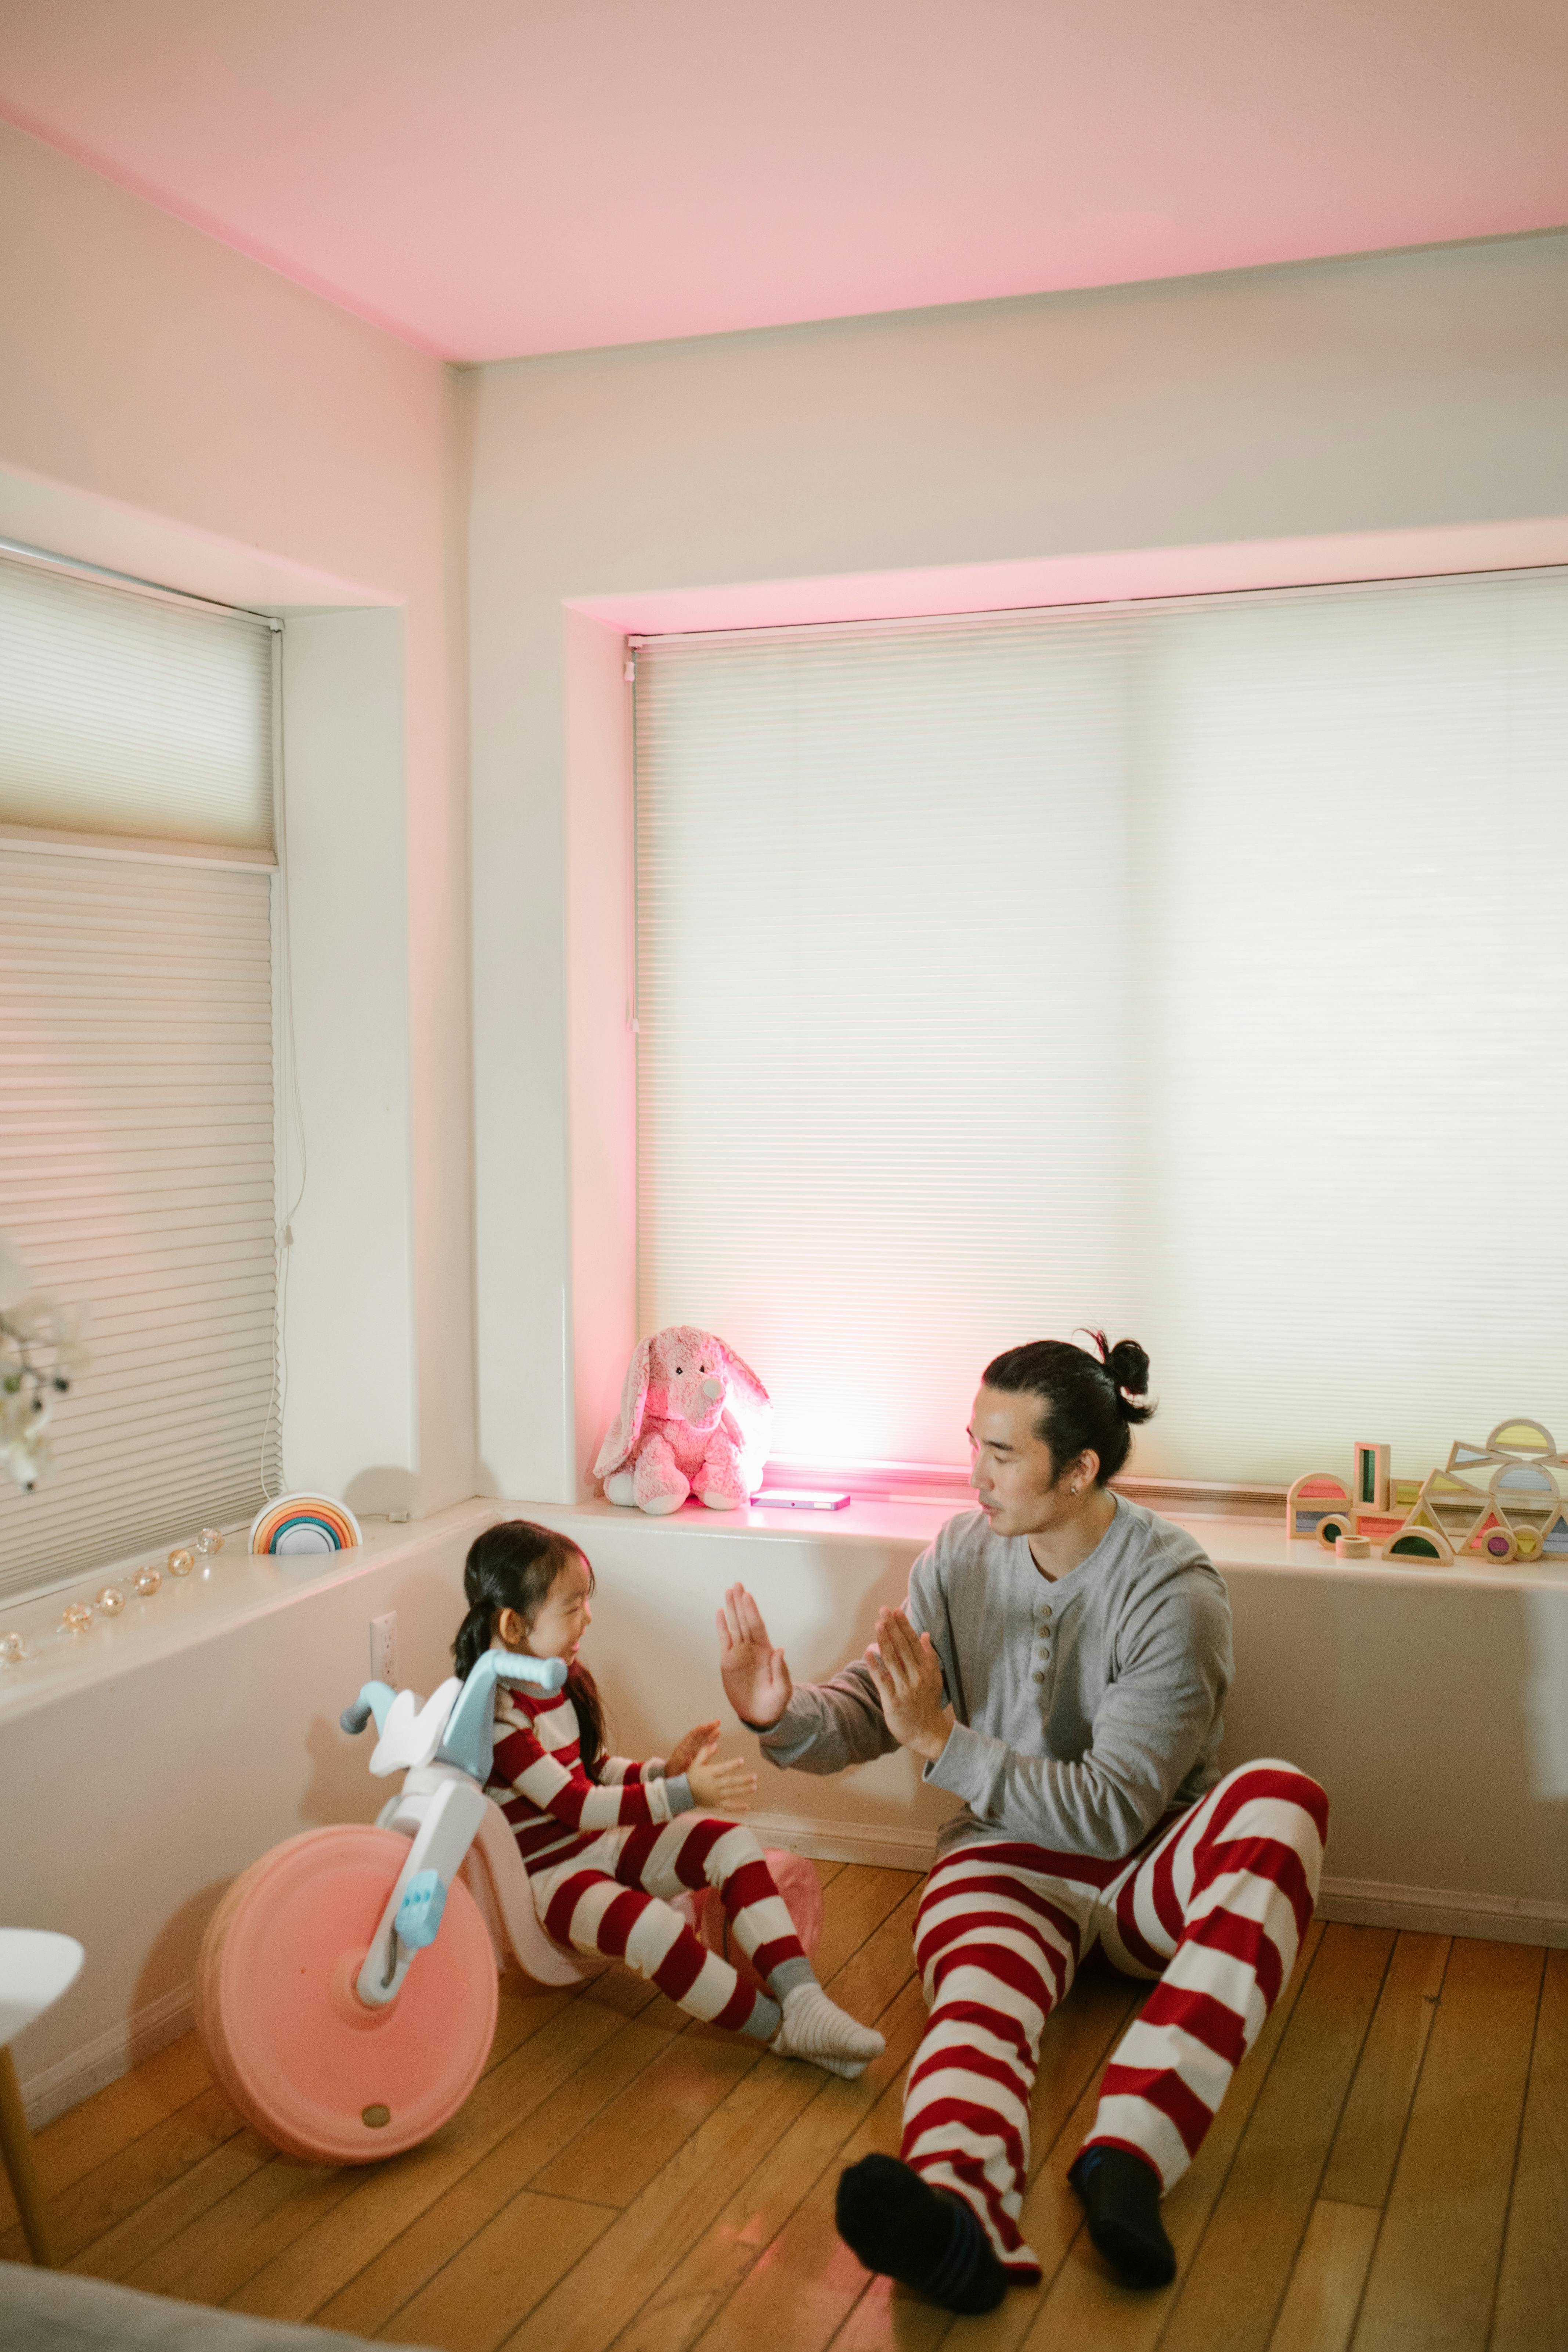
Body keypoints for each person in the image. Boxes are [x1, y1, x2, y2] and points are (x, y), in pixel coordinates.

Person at [717, 1336, 1328, 2313]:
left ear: (1080, 1468)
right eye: (973, 1444)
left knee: (1284, 1798)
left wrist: (944, 1742)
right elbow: (883, 1709)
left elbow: (1110, 1811)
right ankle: (956, 2216)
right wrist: (775, 1714)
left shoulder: (1173, 1588)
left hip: (1140, 1868)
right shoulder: (959, 1553)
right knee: (975, 2014)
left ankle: (1129, 2149)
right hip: (999, 1857)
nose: (975, 1474)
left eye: (1002, 1454)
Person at [462, 1518, 885, 2077]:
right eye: (571, 1608)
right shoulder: (500, 1721)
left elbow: (592, 1770)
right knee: (653, 1929)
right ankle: (780, 2030)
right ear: (513, 1626)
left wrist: (663, 1770)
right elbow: (576, 1804)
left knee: (731, 1841)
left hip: (601, 1850)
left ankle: (805, 2000)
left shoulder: (558, 1683)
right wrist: (679, 1793)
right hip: (554, 1882)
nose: (588, 1617)